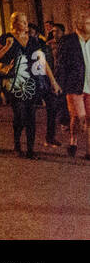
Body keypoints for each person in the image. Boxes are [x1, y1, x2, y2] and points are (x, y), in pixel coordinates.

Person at [0, 12, 48, 159]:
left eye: (24, 21)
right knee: (19, 114)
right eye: (18, 21)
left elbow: (41, 61)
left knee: (31, 115)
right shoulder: (5, 38)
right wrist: (6, 47)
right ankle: (17, 144)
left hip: (31, 81)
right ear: (12, 22)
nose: (22, 24)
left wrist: (50, 81)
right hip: (14, 81)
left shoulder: (33, 40)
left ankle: (30, 149)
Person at [54, 10, 90, 159]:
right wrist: (58, 84)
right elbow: (60, 65)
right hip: (74, 86)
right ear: (78, 24)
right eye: (88, 23)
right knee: (79, 117)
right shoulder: (68, 41)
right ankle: (73, 140)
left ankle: (87, 150)